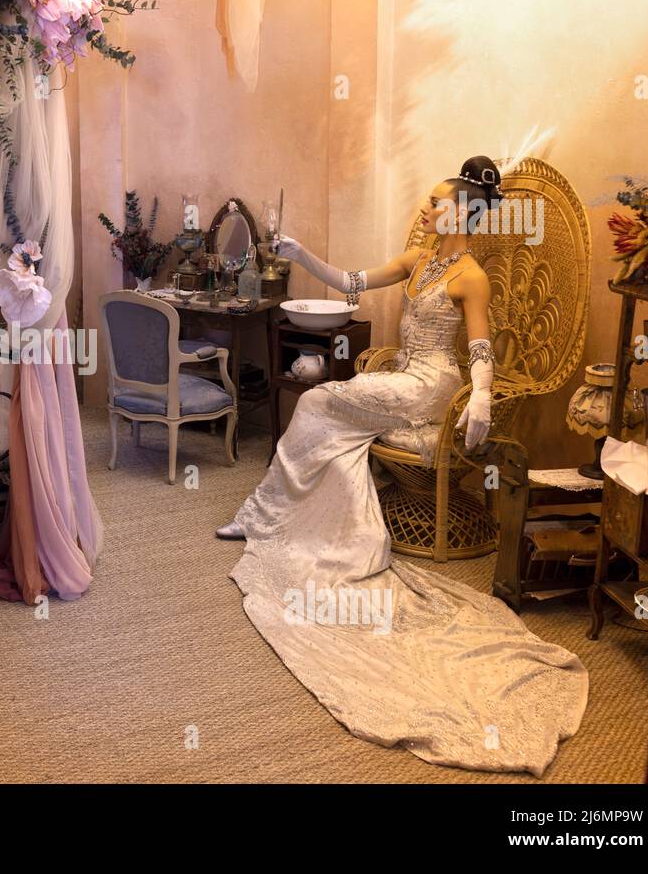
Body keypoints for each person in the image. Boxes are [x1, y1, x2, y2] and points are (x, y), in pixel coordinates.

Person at [220, 156, 587, 775]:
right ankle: (299, 525)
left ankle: (266, 516)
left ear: (464, 211)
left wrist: (483, 397)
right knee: (334, 434)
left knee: (315, 400)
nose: (427, 208)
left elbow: (478, 347)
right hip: (401, 376)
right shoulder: (418, 261)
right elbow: (353, 280)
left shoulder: (471, 275)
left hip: (431, 386)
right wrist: (304, 255)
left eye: (437, 201)